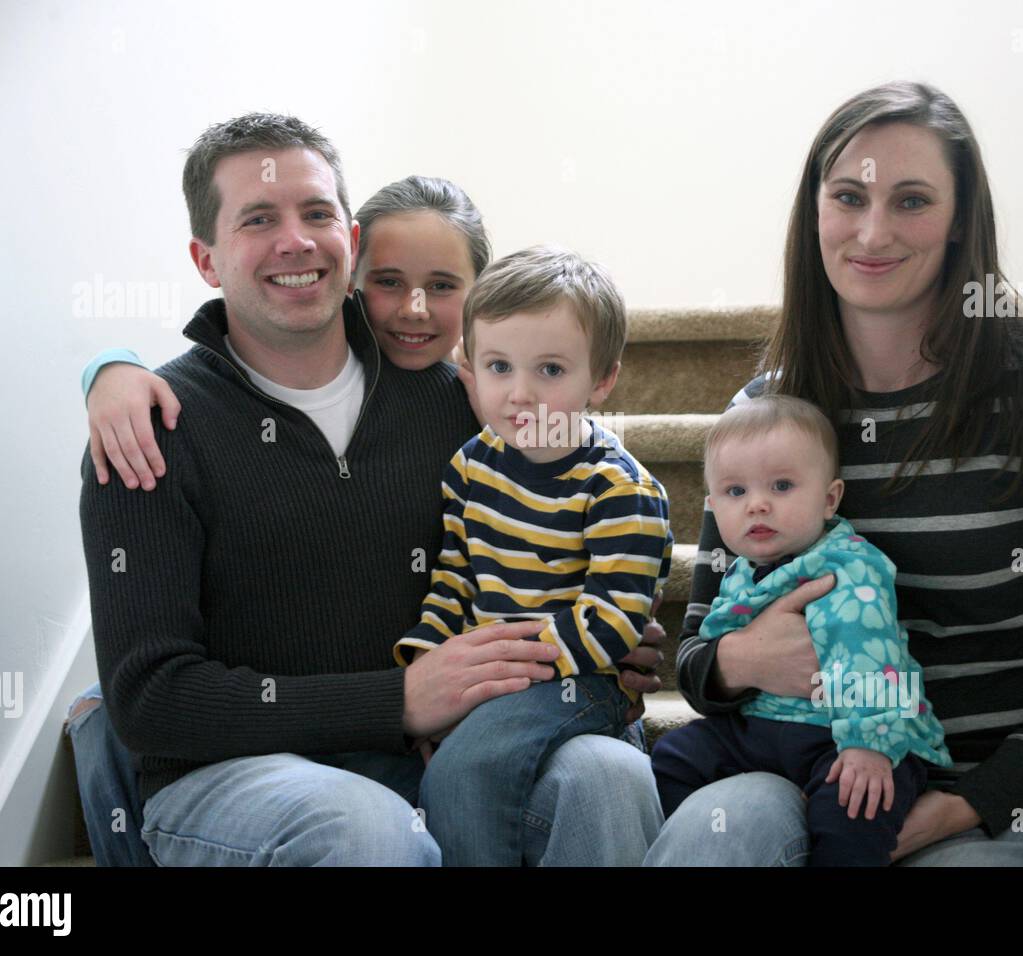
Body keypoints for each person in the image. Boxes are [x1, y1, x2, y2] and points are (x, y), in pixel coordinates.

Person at [75, 113, 664, 867]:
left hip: (445, 748)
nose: (296, 240)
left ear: (349, 240)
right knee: (368, 831)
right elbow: (150, 698)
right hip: (238, 779)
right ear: (205, 258)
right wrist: (398, 699)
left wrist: (608, 641)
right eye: (259, 219)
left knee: (607, 775)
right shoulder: (148, 431)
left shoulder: (462, 400)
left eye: (316, 213)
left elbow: (582, 512)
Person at [643, 81, 1023, 867]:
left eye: (912, 201)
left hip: (999, 790)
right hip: (793, 766)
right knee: (707, 847)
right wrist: (739, 662)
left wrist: (971, 803)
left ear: (961, 224)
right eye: (848, 196)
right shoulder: (765, 414)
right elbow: (696, 650)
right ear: (814, 212)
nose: (872, 230)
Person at [393, 246, 673, 865]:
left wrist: (496, 678)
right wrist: (430, 655)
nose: (519, 394)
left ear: (601, 379)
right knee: (453, 772)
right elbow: (454, 578)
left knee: (464, 768)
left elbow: (615, 620)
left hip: (583, 681)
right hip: (494, 679)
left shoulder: (619, 489)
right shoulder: (472, 466)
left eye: (550, 370)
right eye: (498, 367)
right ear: (471, 366)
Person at [651, 394, 950, 865]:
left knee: (853, 809)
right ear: (712, 505)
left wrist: (868, 745)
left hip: (844, 737)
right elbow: (709, 645)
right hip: (760, 730)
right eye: (736, 493)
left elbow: (871, 654)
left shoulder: (848, 567)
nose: (758, 506)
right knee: (673, 758)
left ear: (829, 498)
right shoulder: (740, 570)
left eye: (782, 486)